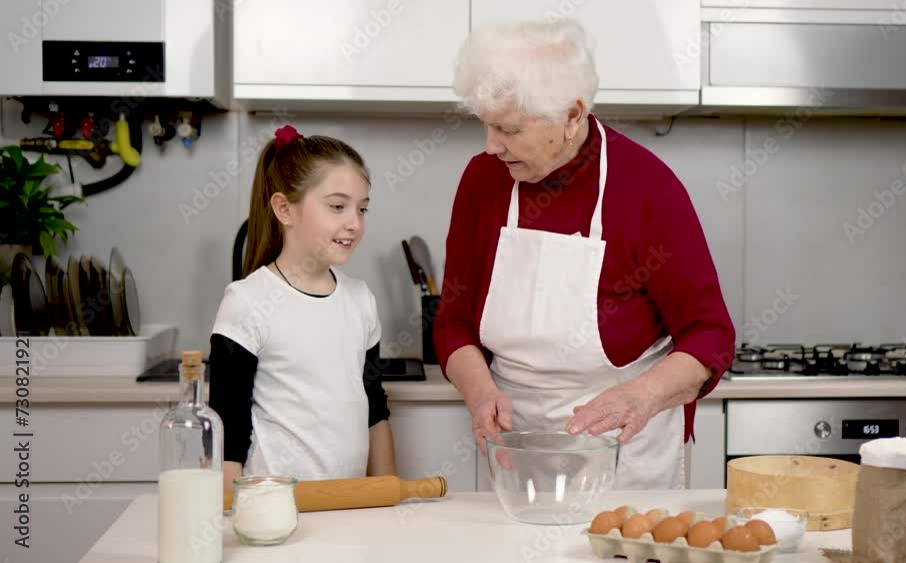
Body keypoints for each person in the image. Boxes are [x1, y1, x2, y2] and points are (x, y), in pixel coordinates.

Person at [433, 19, 735, 490]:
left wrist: (643, 397)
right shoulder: (482, 181)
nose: (491, 146)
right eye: (486, 125)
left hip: (626, 450)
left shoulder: (648, 188)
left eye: (508, 129)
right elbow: (452, 321)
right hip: (517, 448)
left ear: (572, 115)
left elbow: (711, 335)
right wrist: (478, 393)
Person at [208, 125, 396, 493]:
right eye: (337, 207)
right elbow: (228, 437)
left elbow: (375, 411)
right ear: (284, 209)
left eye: (362, 209)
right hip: (272, 511)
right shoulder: (246, 302)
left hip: (348, 509)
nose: (354, 224)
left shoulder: (361, 301)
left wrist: (388, 498)